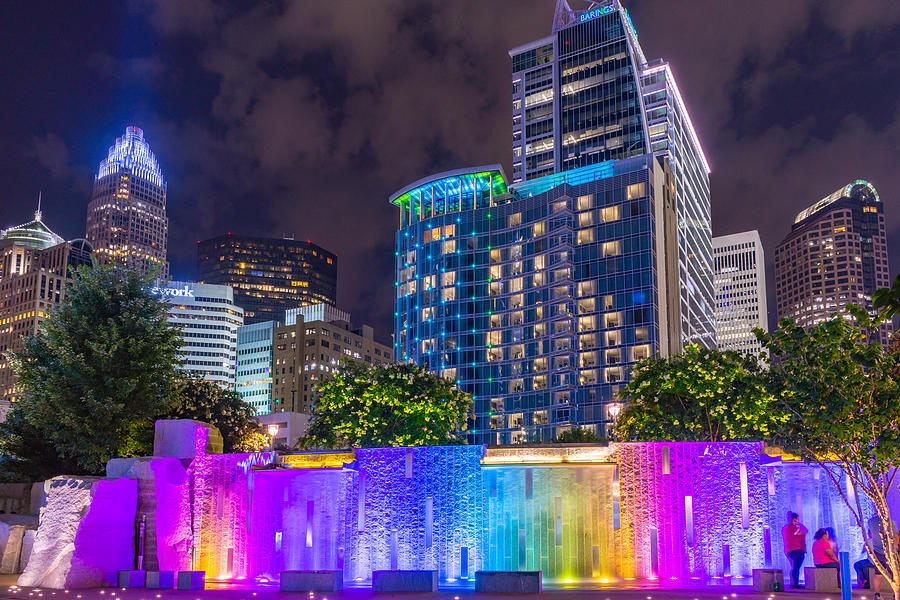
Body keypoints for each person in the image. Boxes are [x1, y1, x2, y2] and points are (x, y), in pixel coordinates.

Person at [855, 515, 900, 588]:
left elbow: (863, 551)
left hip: (876, 556)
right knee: (894, 574)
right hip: (888, 553)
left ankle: (876, 593)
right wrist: (896, 548)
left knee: (877, 574)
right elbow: (896, 537)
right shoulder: (889, 522)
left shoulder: (871, 522)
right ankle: (895, 594)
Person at [783, 512, 808, 588]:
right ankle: (794, 583)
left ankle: (794, 583)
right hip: (795, 549)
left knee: (795, 567)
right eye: (796, 519)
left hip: (793, 550)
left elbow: (804, 531)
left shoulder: (788, 528)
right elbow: (804, 531)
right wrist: (799, 524)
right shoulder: (791, 528)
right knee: (796, 567)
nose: (797, 520)